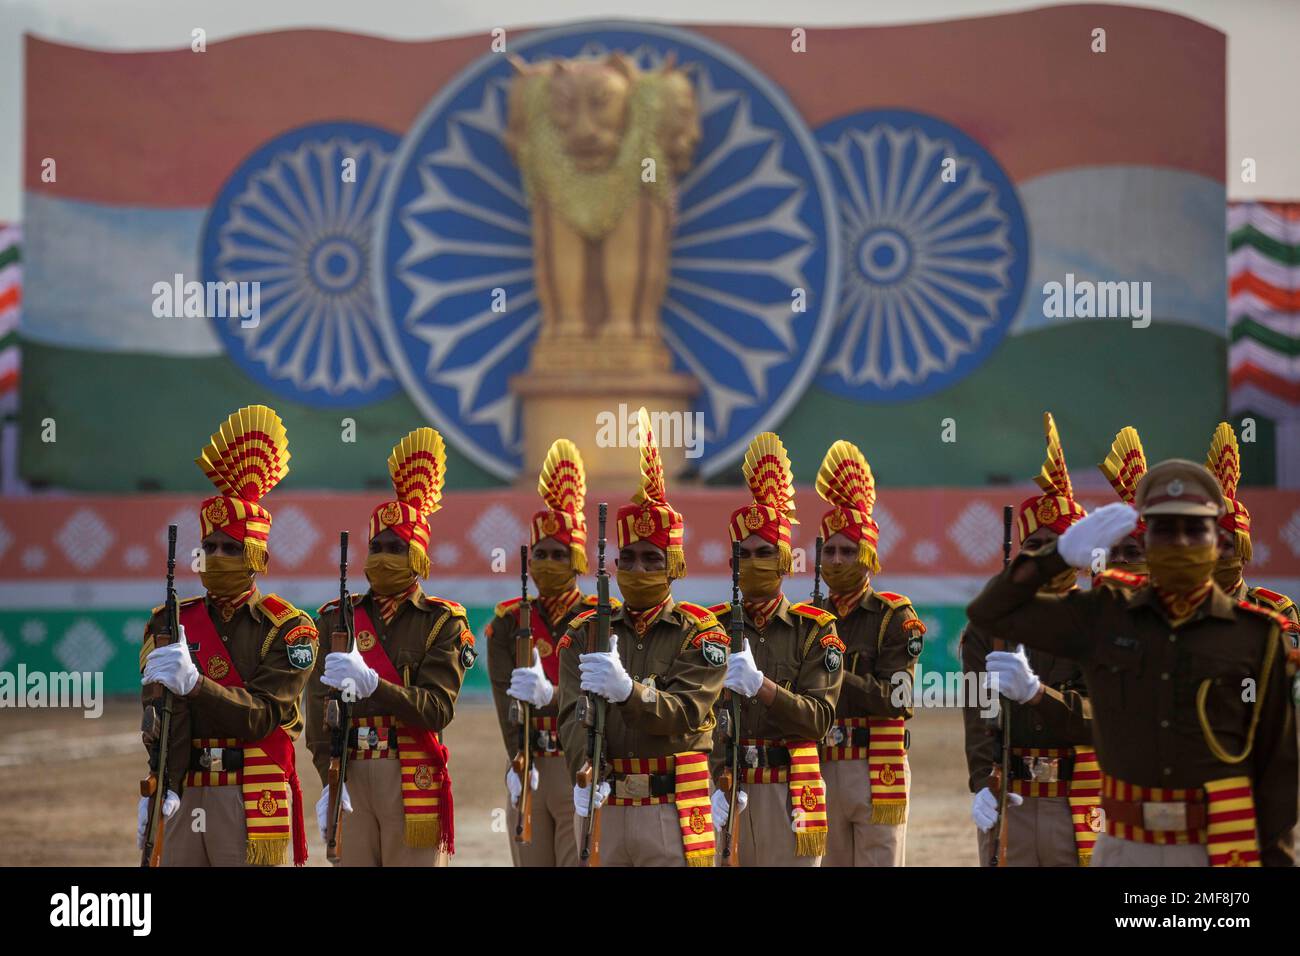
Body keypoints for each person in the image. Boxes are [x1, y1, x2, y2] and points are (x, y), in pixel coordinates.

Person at [967, 459, 1298, 866]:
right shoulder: (1105, 616)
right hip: (1124, 845)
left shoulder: (1258, 637)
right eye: (1163, 529)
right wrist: (1058, 554)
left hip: (1215, 847)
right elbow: (989, 614)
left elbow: (1277, 776)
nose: (1179, 542)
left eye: (1194, 529)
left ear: (1216, 539)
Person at [137, 404, 315, 866]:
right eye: (209, 546)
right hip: (185, 790)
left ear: (255, 554)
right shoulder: (169, 621)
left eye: (230, 548)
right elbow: (162, 717)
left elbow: (261, 717)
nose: (215, 556)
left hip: (250, 795)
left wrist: (196, 684)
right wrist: (161, 785)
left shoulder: (290, 628)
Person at [555, 406, 727, 866]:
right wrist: (583, 768)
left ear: (673, 565)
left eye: (652, 560)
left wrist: (628, 692)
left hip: (672, 808)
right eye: (628, 559)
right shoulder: (584, 632)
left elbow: (687, 713)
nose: (638, 570)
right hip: (605, 799)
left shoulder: (702, 633)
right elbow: (571, 714)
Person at [307, 427, 472, 866]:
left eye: (395, 548)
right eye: (376, 546)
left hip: (411, 770)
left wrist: (372, 684)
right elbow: (316, 711)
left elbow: (438, 708)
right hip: (351, 768)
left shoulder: (442, 621)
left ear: (418, 556)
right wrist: (329, 779)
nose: (382, 556)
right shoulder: (335, 618)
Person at [961, 412, 1100, 866]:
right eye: (1034, 545)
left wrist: (1038, 695)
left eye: (1055, 543)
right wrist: (983, 780)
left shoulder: (1098, 622)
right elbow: (978, 711)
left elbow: (1093, 720)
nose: (1042, 555)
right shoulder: (989, 626)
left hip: (1076, 800)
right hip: (1011, 797)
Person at [708, 431, 843, 866]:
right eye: (744, 555)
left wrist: (762, 686)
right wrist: (711, 777)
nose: (754, 563)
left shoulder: (814, 630)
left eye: (765, 552)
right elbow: (697, 714)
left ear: (785, 558)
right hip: (731, 786)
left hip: (791, 790)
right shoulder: (711, 627)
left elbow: (818, 719)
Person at [487, 438, 616, 866]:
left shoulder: (602, 619)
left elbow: (602, 698)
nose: (548, 562)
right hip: (531, 759)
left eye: (558, 554)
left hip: (577, 760)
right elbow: (504, 698)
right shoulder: (508, 623)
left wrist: (554, 694)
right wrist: (516, 759)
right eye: (540, 553)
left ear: (578, 557)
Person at [811, 439, 921, 866]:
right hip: (819, 768)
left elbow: (896, 698)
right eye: (830, 550)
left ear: (870, 554)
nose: (837, 560)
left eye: (848, 550)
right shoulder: (809, 619)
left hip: (876, 766)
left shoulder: (894, 616)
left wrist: (830, 674)